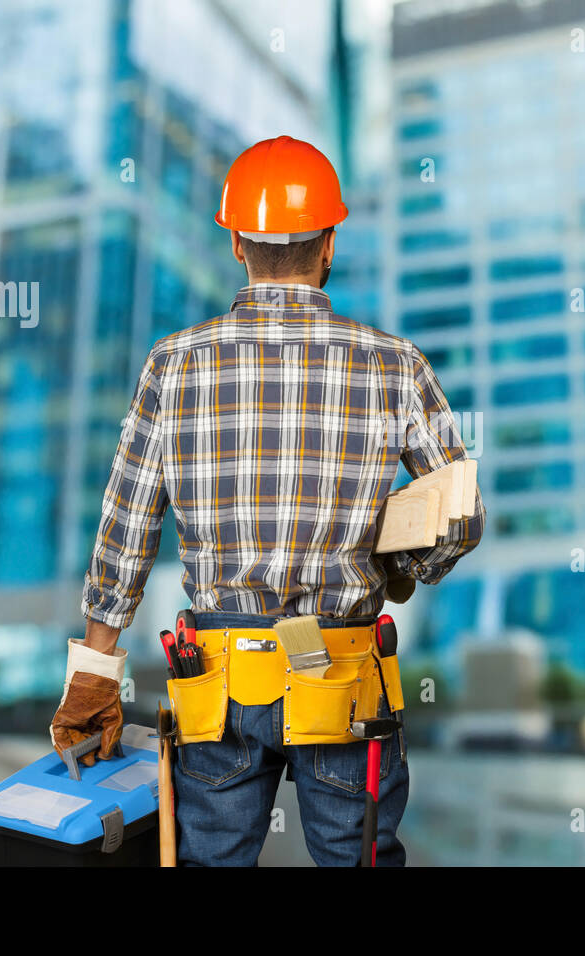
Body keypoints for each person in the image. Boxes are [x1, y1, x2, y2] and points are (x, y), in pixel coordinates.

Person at [49, 135, 484, 865]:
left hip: (218, 684)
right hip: (343, 678)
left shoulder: (174, 363)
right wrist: (402, 563)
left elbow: (126, 528)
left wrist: (93, 678)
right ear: (330, 244)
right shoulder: (394, 362)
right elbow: (461, 512)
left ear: (236, 245)